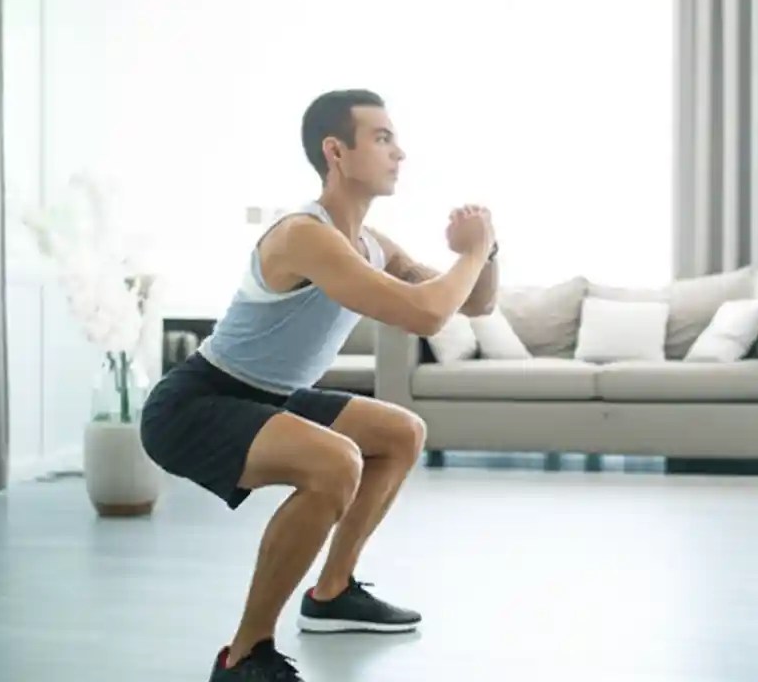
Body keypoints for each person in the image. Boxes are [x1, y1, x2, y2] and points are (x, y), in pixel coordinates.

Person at [139, 89, 499, 681]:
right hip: (196, 402)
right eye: (382, 138)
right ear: (337, 151)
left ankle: (332, 594)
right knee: (337, 463)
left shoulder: (374, 246)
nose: (399, 152)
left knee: (400, 432)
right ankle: (243, 656)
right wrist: (474, 250)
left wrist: (488, 251)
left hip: (269, 395)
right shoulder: (304, 234)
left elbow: (476, 302)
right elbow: (427, 315)